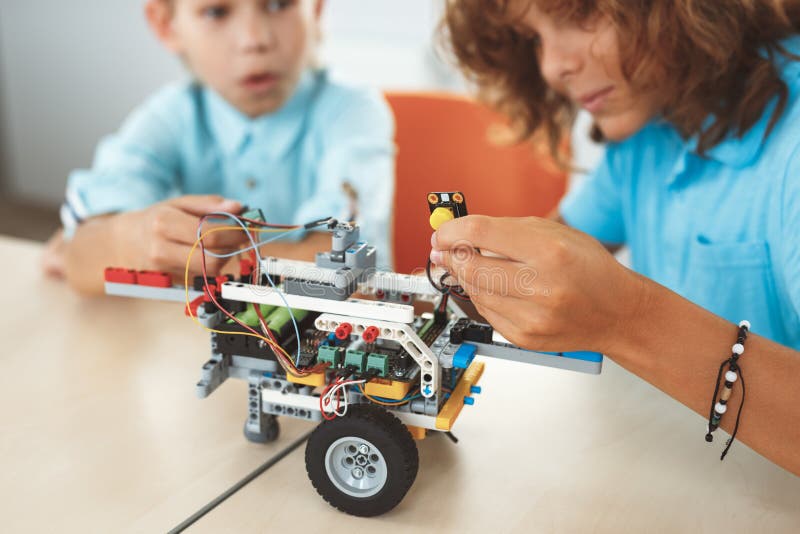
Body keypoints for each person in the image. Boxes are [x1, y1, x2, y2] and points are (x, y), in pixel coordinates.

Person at [433, 0, 800, 475]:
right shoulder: (655, 119)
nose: (552, 66)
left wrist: (628, 319)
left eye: (580, 13)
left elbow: (605, 304)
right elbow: (542, 265)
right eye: (535, 38)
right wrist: (462, 276)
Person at [43, 0, 395, 293]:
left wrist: (129, 250)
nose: (254, 40)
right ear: (167, 25)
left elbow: (347, 267)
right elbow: (78, 257)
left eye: (279, 3)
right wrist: (123, 239)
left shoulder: (355, 111)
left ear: (316, 9)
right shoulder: (167, 117)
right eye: (216, 12)